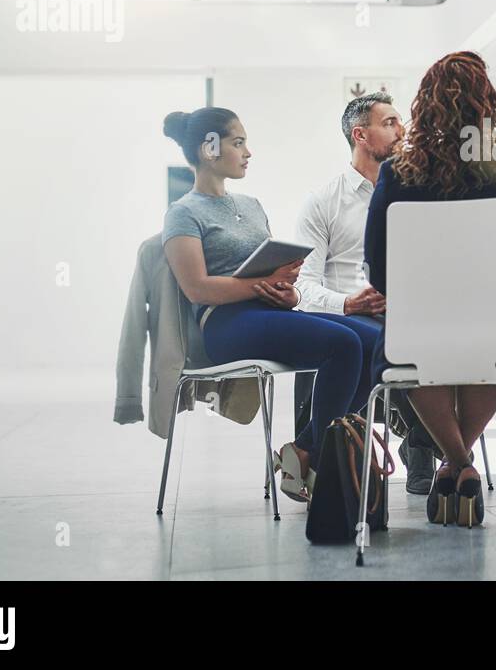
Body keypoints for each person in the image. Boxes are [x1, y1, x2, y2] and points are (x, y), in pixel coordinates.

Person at [363, 52, 496, 527]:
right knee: (493, 348)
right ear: (491, 107)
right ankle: (460, 464)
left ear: (424, 107)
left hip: (416, 338)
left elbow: (379, 274)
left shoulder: (396, 176)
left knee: (424, 354)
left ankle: (455, 462)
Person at [160, 107, 380, 503]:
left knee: (377, 343)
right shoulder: (183, 214)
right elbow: (198, 290)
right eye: (238, 142)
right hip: (226, 324)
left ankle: (305, 449)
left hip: (272, 311)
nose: (248, 152)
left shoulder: (251, 205)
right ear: (209, 148)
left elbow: (277, 277)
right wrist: (262, 285)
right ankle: (322, 459)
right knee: (344, 345)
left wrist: (288, 291)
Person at [292, 93, 436, 495]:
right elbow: (302, 285)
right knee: (392, 342)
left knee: (439, 336)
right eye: (389, 123)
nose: (402, 130)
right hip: (347, 316)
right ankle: (427, 449)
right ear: (360, 134)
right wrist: (348, 302)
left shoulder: (416, 193)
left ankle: (421, 444)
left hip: (408, 311)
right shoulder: (323, 202)